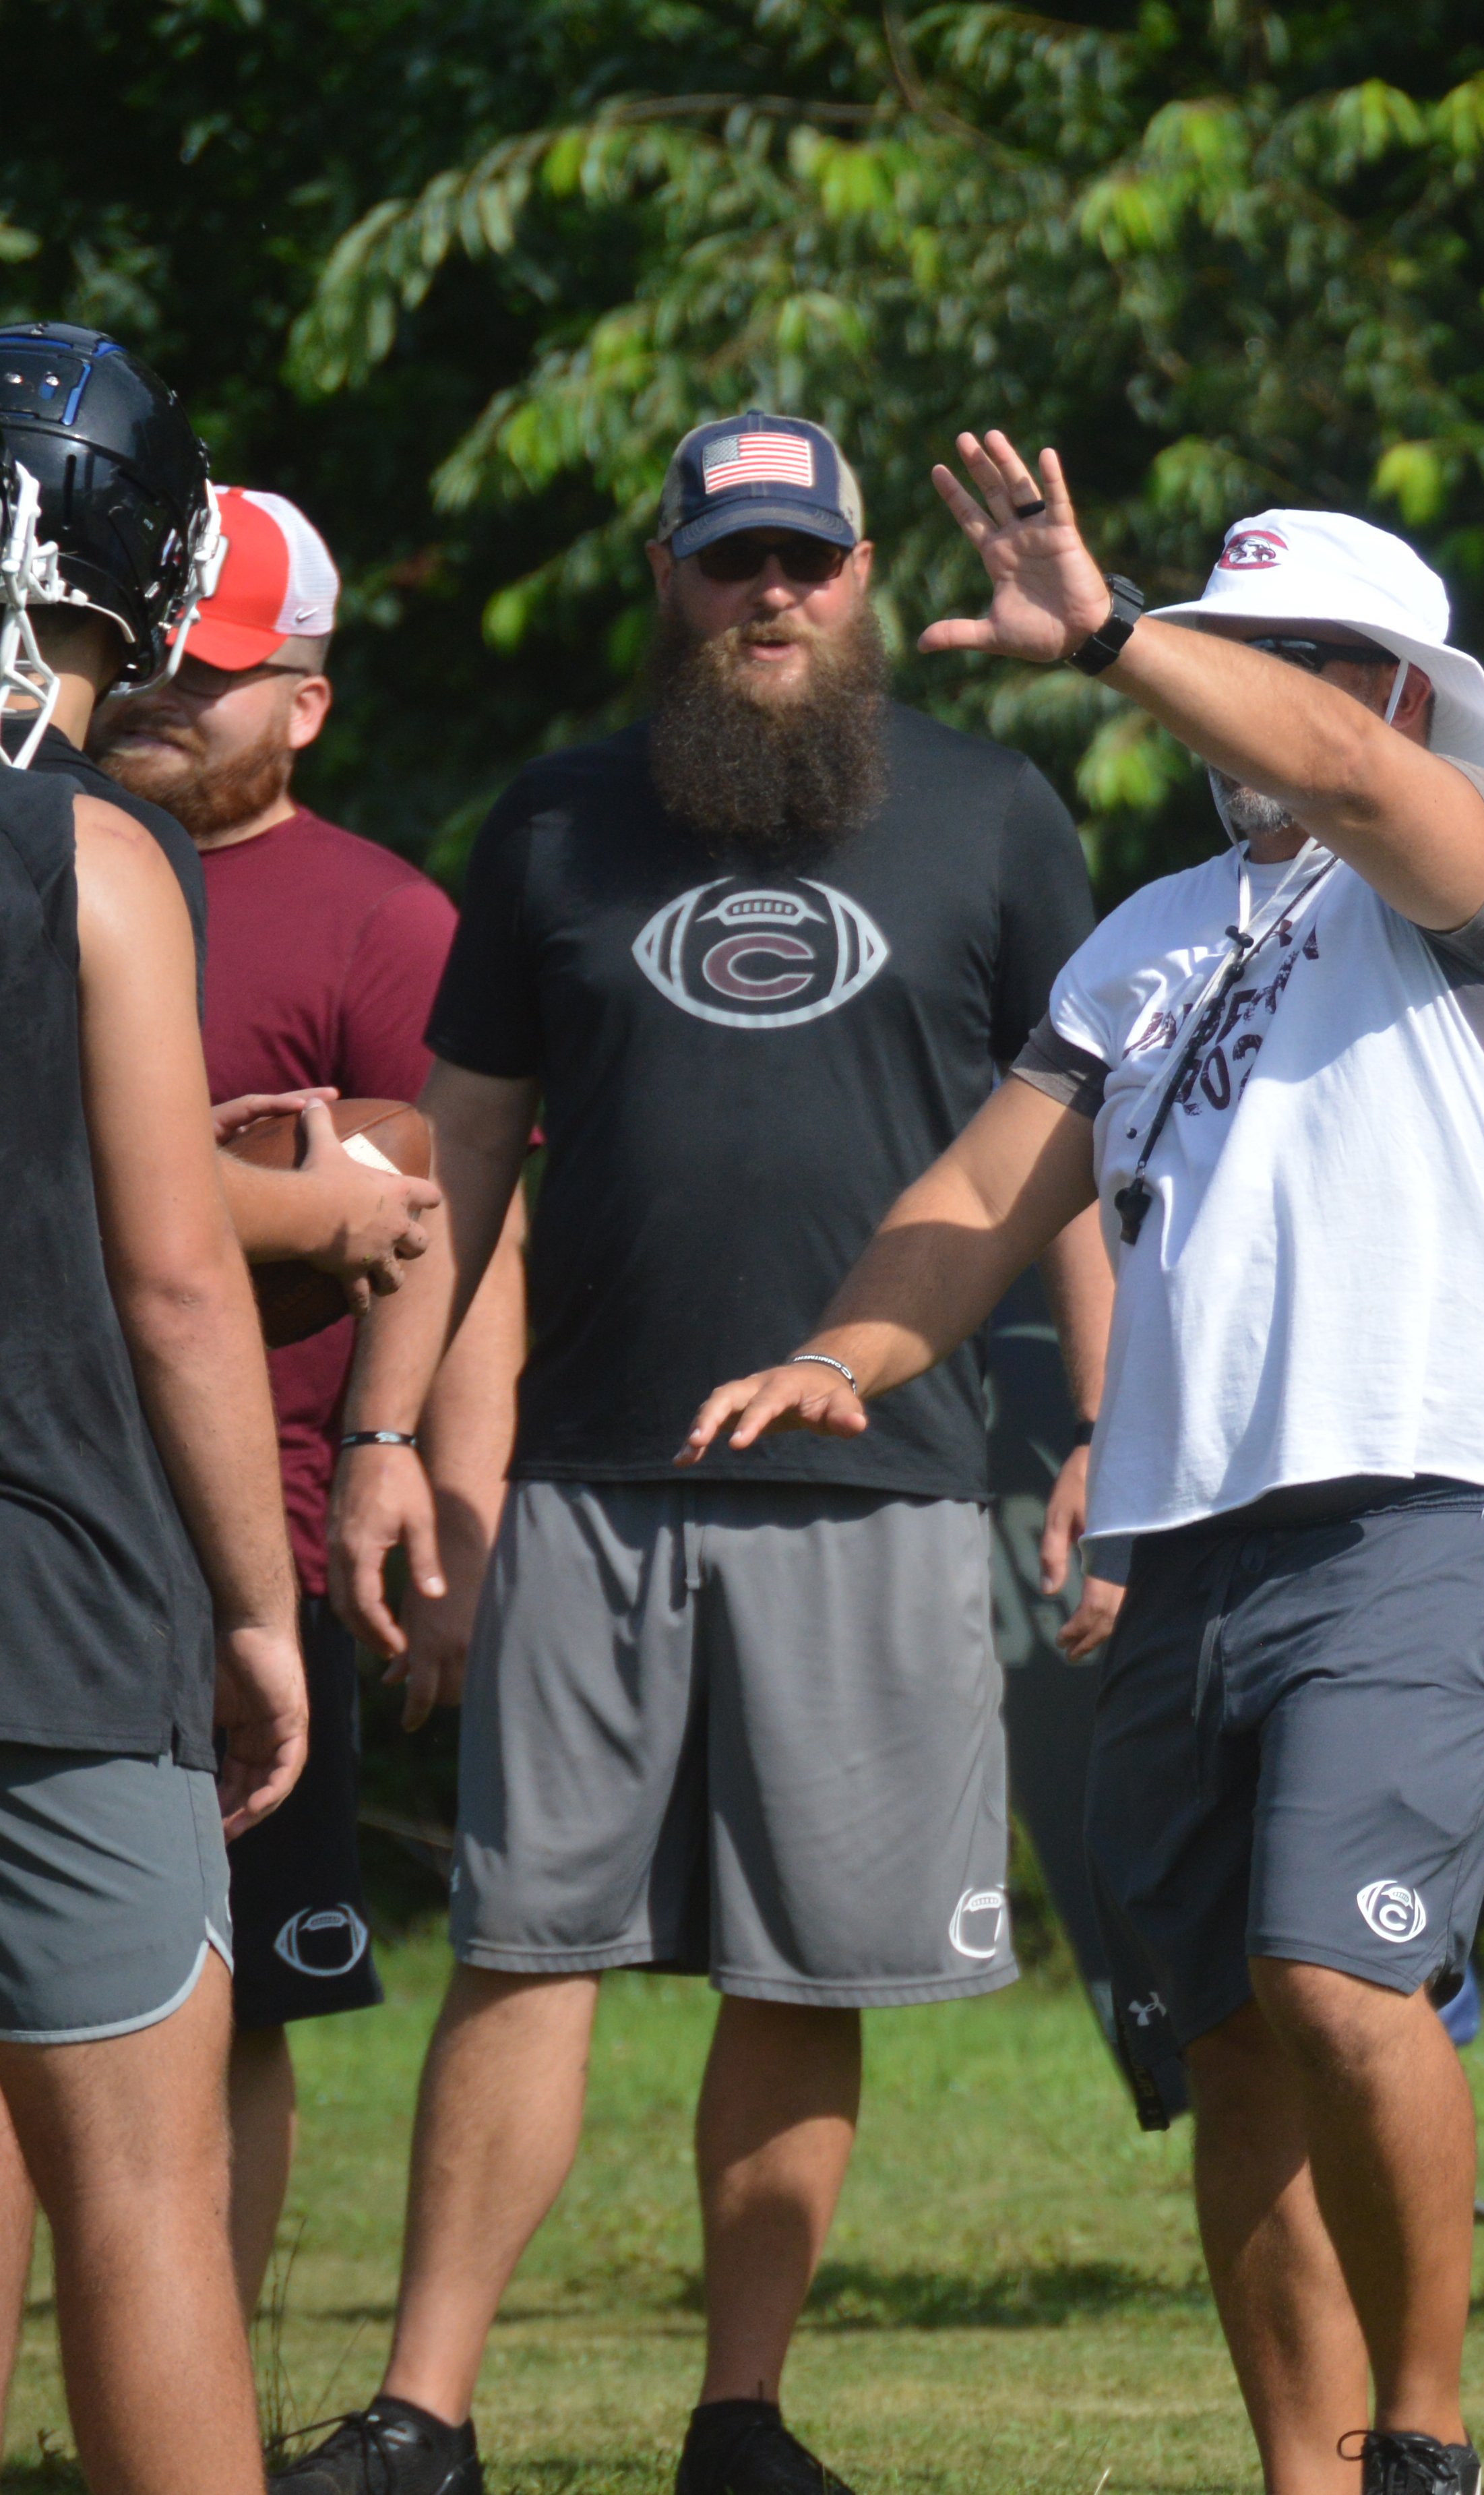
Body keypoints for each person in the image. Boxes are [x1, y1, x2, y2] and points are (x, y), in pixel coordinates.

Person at [685, 435, 1484, 2495]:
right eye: (1231, 644)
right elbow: (987, 1186)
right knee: (1221, 2035)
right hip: (1197, 1523)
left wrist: (1113, 631)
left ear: (1397, 689)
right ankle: (1310, 2469)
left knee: (1337, 1965)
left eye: (1299, 654)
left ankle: (1427, 2451)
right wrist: (851, 1342)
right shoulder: (1153, 932)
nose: (1249, 687)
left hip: (1447, 1492)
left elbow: (1363, 791)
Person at [271, 411, 1111, 2495]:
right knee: (528, 1943)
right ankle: (421, 2416)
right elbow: (457, 1163)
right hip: (587, 1480)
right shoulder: (556, 826)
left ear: (856, 585)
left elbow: (1075, 1168)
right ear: (670, 576)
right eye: (734, 560)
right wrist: (385, 1436)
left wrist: (1112, 1427)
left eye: (807, 562)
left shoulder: (997, 819)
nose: (774, 596)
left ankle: (739, 2420)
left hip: (894, 1481)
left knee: (808, 1961)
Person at [86, 481, 532, 2311]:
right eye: (152, 656)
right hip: (58, 1517)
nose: (171, 695)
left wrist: (420, 1480)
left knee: (243, 1996)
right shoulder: (52, 856)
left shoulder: (377, 919)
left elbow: (470, 1229)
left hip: (251, 1525)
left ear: (309, 701)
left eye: (219, 668)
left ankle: (181, 2400)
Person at [0, 319, 307, 2495]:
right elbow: (179, 1279)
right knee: (133, 2185)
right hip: (58, 1593)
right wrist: (261, 1609)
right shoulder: (98, 860)